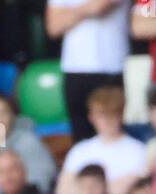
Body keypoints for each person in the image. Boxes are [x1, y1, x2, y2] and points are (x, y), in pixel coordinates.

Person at [45, 0, 130, 143]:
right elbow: (53, 27)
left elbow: (99, 7)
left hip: (114, 69)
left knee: (114, 135)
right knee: (81, 137)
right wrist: (85, 9)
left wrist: (71, 12)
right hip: (74, 70)